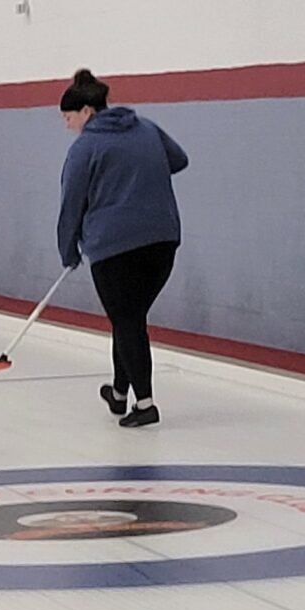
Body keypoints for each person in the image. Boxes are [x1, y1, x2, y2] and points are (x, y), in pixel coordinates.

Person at [57, 69, 188, 427]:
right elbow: (178, 159)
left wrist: (68, 251)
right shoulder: (145, 128)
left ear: (86, 111)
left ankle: (145, 404)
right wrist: (138, 172)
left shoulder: (85, 148)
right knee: (128, 317)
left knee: (127, 320)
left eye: (68, 118)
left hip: (114, 248)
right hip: (163, 240)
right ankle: (118, 393)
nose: (68, 125)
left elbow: (71, 205)